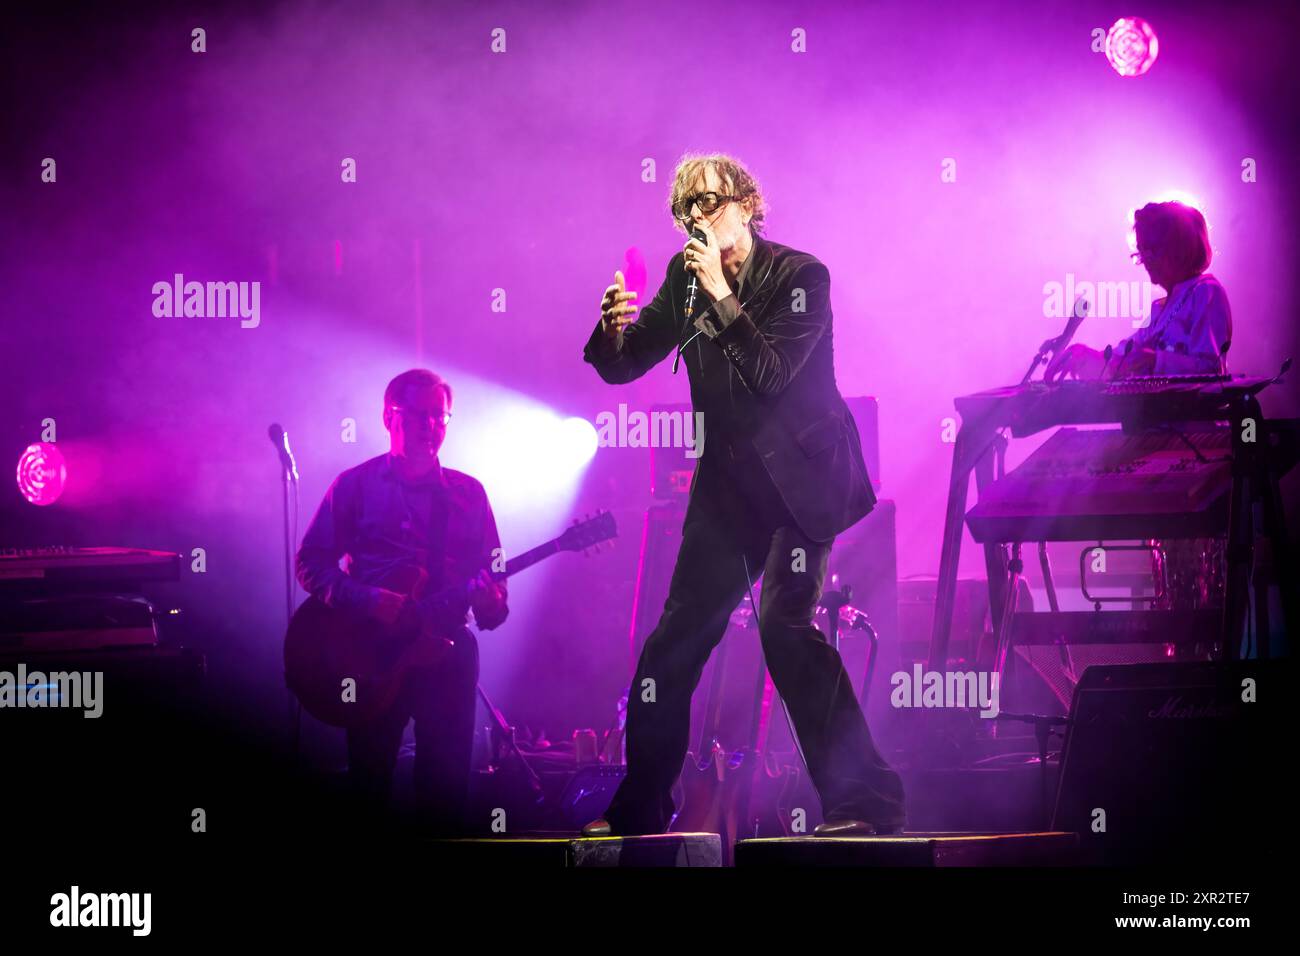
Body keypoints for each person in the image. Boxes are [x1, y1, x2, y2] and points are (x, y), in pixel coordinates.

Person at [580, 152, 905, 837]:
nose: (701, 216)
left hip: (803, 485)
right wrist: (613, 331)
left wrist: (723, 301)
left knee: (783, 625)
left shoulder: (800, 276)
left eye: (713, 200)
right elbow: (628, 362)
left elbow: (773, 373)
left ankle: (865, 803)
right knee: (673, 643)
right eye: (687, 208)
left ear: (747, 202)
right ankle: (640, 807)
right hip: (730, 487)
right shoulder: (683, 277)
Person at [295, 369, 508, 832]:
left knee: (446, 790)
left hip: (446, 651)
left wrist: (492, 604)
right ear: (389, 417)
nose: (432, 427)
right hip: (370, 654)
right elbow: (310, 562)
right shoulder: (354, 485)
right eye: (419, 416)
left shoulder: (469, 494)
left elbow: (493, 579)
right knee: (369, 787)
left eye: (440, 416)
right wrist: (367, 599)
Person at [1046, 200, 1232, 380]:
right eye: (1142, 251)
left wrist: (1155, 361)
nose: (1146, 260)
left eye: (1153, 249)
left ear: (1181, 247)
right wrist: (1083, 355)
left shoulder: (1206, 292)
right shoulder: (1159, 309)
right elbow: (1124, 357)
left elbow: (1212, 370)